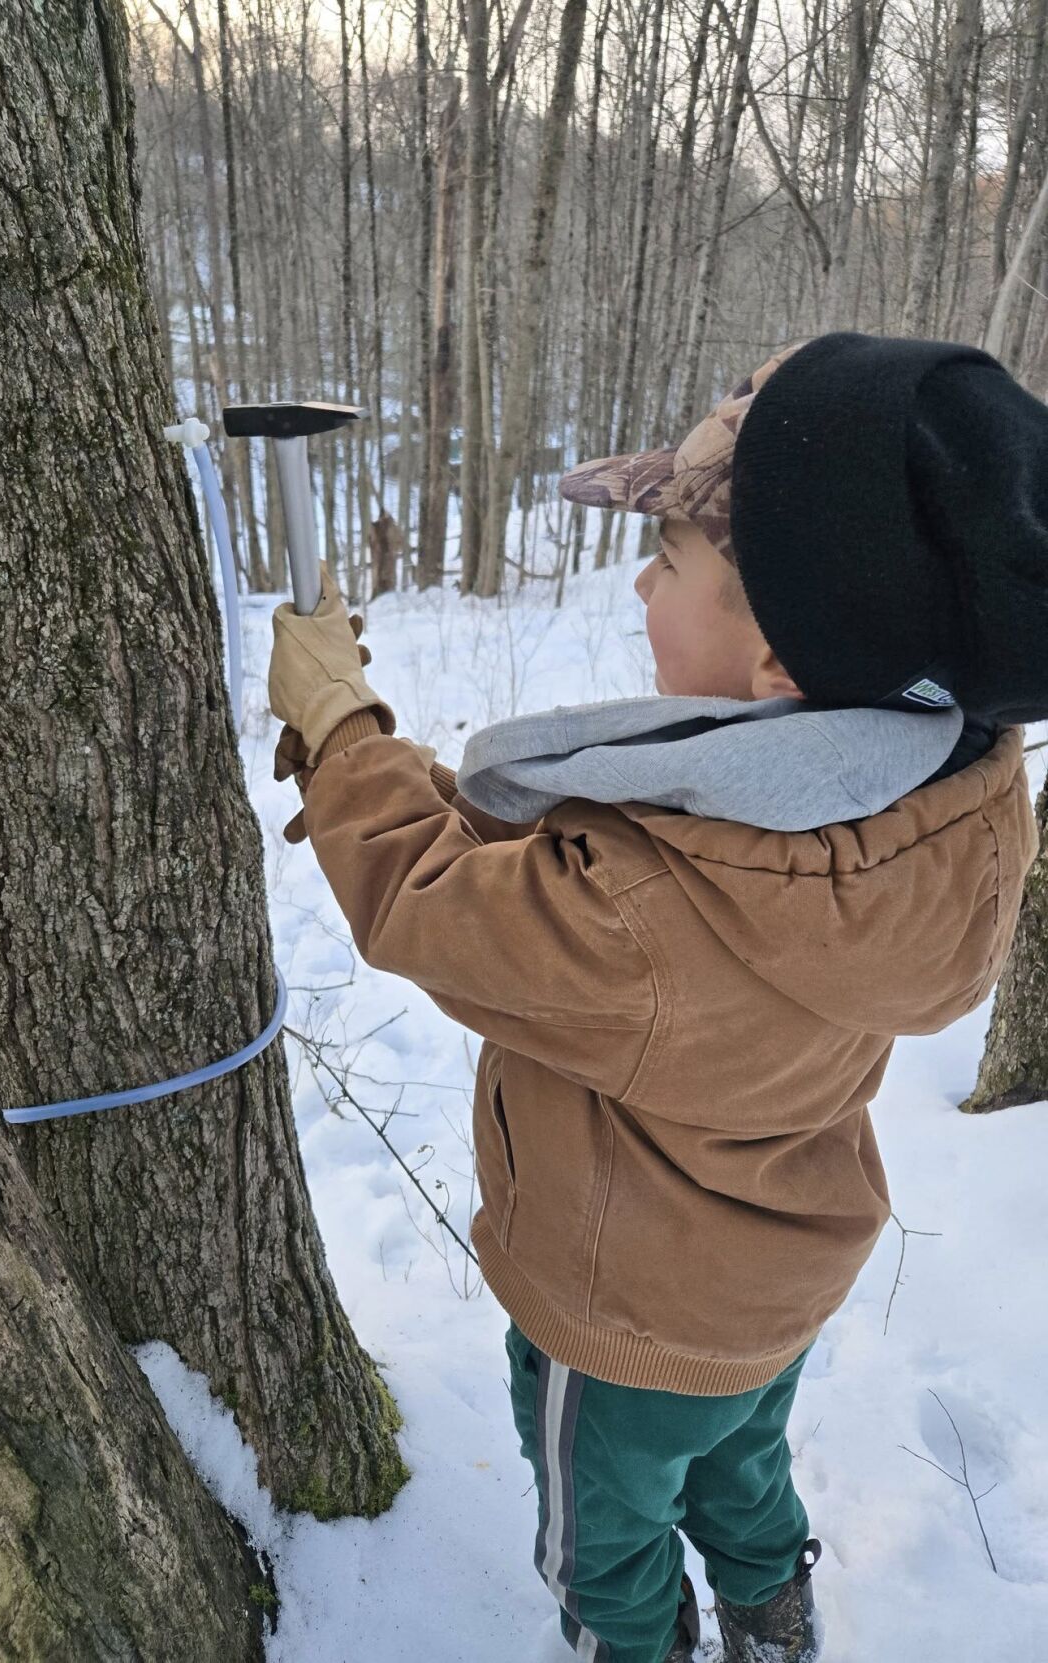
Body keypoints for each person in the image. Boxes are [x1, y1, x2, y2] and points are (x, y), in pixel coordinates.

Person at [265, 330, 1048, 1662]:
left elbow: (430, 900)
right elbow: (581, 890)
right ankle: (772, 1615)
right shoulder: (938, 811)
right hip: (774, 1287)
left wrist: (343, 731)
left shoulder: (646, 911)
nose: (636, 579)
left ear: (782, 666)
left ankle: (632, 1649)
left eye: (671, 560)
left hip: (622, 1319)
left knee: (604, 1536)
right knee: (742, 1467)